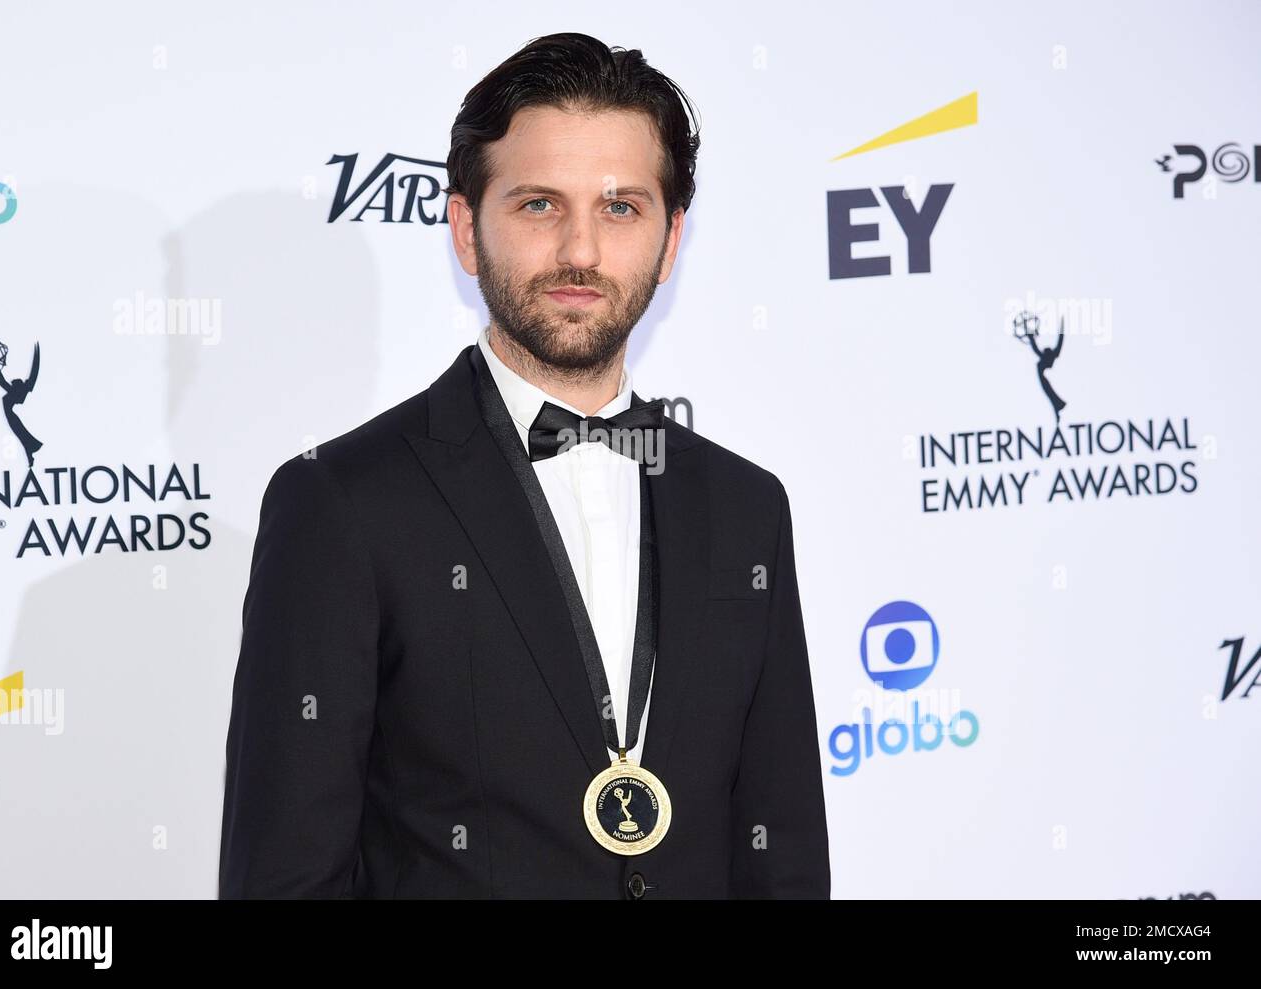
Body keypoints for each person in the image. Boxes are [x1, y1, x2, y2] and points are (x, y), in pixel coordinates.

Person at [219, 31, 830, 899]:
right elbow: (284, 877)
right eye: (540, 205)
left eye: (621, 208)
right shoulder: (341, 505)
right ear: (467, 228)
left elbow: (785, 860)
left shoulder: (745, 507)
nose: (581, 251)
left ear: (671, 238)